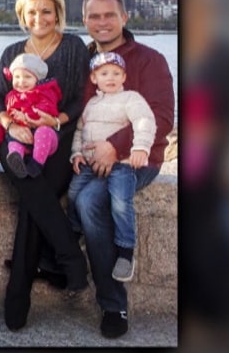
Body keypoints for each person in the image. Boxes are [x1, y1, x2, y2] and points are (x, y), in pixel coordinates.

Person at [69, 0, 174, 339]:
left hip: (137, 157)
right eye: (94, 16)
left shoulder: (150, 59)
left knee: (89, 201)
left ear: (124, 18)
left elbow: (161, 116)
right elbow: (79, 117)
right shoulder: (83, 61)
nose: (102, 22)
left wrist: (114, 147)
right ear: (84, 21)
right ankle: (62, 260)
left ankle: (114, 303)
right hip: (88, 154)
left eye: (109, 15)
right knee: (74, 195)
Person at [0, 0, 90, 331]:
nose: (39, 17)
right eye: (32, 11)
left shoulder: (74, 47)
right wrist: (7, 123)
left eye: (46, 10)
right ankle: (70, 256)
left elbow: (79, 98)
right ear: (22, 15)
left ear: (58, 12)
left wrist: (56, 120)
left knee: (34, 202)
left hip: (54, 138)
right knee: (32, 187)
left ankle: (18, 295)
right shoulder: (13, 51)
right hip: (15, 136)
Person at [68, 51, 156, 282]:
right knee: (74, 194)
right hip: (88, 163)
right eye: (104, 73)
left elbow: (144, 121)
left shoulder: (130, 99)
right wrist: (77, 154)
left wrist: (140, 148)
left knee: (120, 203)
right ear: (94, 78)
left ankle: (126, 252)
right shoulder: (91, 105)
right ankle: (75, 233)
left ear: (124, 76)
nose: (110, 77)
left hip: (121, 166)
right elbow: (79, 132)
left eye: (116, 73)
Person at [0, 53, 63, 179]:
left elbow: (47, 110)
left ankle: (37, 164)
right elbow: (1, 124)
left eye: (27, 77)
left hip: (44, 138)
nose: (21, 82)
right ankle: (16, 160)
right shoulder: (11, 97)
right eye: (17, 77)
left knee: (43, 132)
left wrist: (26, 116)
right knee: (12, 139)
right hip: (23, 138)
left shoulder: (44, 93)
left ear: (37, 79)